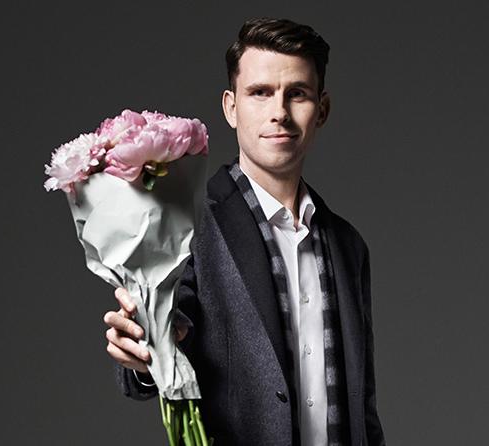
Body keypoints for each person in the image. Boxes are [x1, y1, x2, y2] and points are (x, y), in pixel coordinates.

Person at [102, 17, 386, 446]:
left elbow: (362, 407)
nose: (279, 112)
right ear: (231, 107)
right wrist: (144, 348)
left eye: (298, 93)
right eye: (260, 93)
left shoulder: (349, 245)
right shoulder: (188, 226)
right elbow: (155, 350)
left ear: (322, 110)